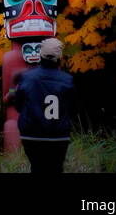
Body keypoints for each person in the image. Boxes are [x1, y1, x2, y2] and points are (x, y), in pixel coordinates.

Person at [7, 37, 76, 173]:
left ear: (41, 55)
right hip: (58, 134)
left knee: (37, 168)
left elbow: (18, 105)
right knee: (56, 168)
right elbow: (73, 108)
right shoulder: (68, 80)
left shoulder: (27, 77)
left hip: (32, 133)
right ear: (59, 57)